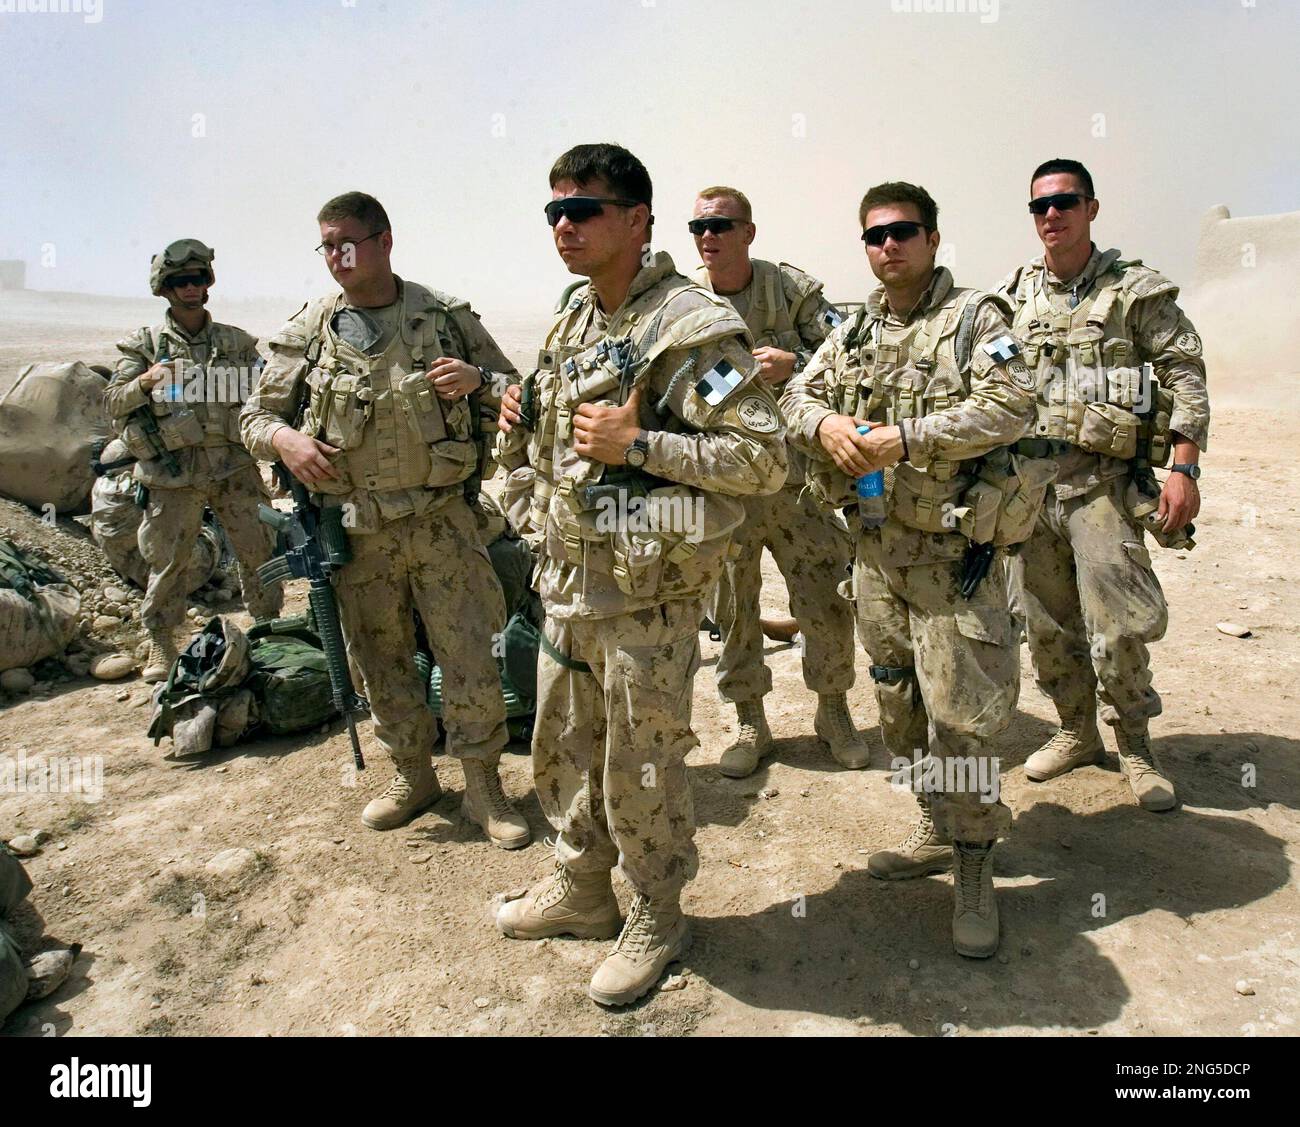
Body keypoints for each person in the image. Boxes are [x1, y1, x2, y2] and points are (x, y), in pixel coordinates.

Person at [494, 144, 788, 1004]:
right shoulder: (573, 317)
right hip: (567, 584)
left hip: (647, 597)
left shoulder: (692, 328)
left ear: (635, 220)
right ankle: (583, 887)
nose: (563, 227)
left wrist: (641, 446)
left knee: (643, 763)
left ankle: (657, 909)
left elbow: (763, 458)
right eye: (553, 212)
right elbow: (544, 433)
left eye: (581, 211)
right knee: (563, 746)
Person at [782, 181, 1039, 957]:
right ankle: (935, 822)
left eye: (903, 232)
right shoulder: (853, 329)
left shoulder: (975, 320)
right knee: (898, 704)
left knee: (963, 715)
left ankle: (972, 862)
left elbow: (1017, 400)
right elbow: (795, 394)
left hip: (953, 560)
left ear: (932, 239)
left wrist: (907, 436)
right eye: (874, 235)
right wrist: (825, 421)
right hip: (874, 555)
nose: (888, 246)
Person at [239, 192, 529, 848]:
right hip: (357, 534)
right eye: (326, 246)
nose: (336, 257)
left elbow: (518, 393)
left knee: (469, 653)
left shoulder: (445, 318)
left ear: (384, 241)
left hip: (441, 523)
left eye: (347, 242)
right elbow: (253, 417)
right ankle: (413, 774)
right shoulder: (307, 331)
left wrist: (478, 379)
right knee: (379, 655)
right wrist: (287, 442)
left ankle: (484, 786)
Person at [997, 158, 1210, 812]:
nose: (1051, 216)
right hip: (1031, 491)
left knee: (1115, 623)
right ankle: (1075, 729)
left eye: (1065, 202)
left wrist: (1184, 466)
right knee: (1046, 622)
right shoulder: (1013, 296)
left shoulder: (1134, 291)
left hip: (1102, 485)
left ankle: (1135, 743)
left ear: (1091, 208)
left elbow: (1185, 375)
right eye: (1040, 207)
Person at [689, 186, 866, 776]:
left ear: (749, 232)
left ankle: (833, 709)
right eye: (699, 227)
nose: (708, 237)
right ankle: (749, 721)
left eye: (720, 225)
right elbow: (671, 388)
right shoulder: (685, 303)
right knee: (733, 609)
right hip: (726, 486)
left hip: (798, 484)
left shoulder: (791, 290)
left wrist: (797, 364)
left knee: (824, 599)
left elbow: (853, 351)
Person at [105, 239, 281, 683]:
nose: (191, 288)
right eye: (181, 281)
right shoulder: (144, 345)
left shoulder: (237, 343)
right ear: (165, 288)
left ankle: (268, 628)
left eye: (198, 279)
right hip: (172, 474)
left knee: (258, 549)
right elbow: (112, 401)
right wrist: (146, 382)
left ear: (208, 284)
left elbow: (271, 397)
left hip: (233, 468)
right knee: (167, 561)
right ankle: (162, 643)